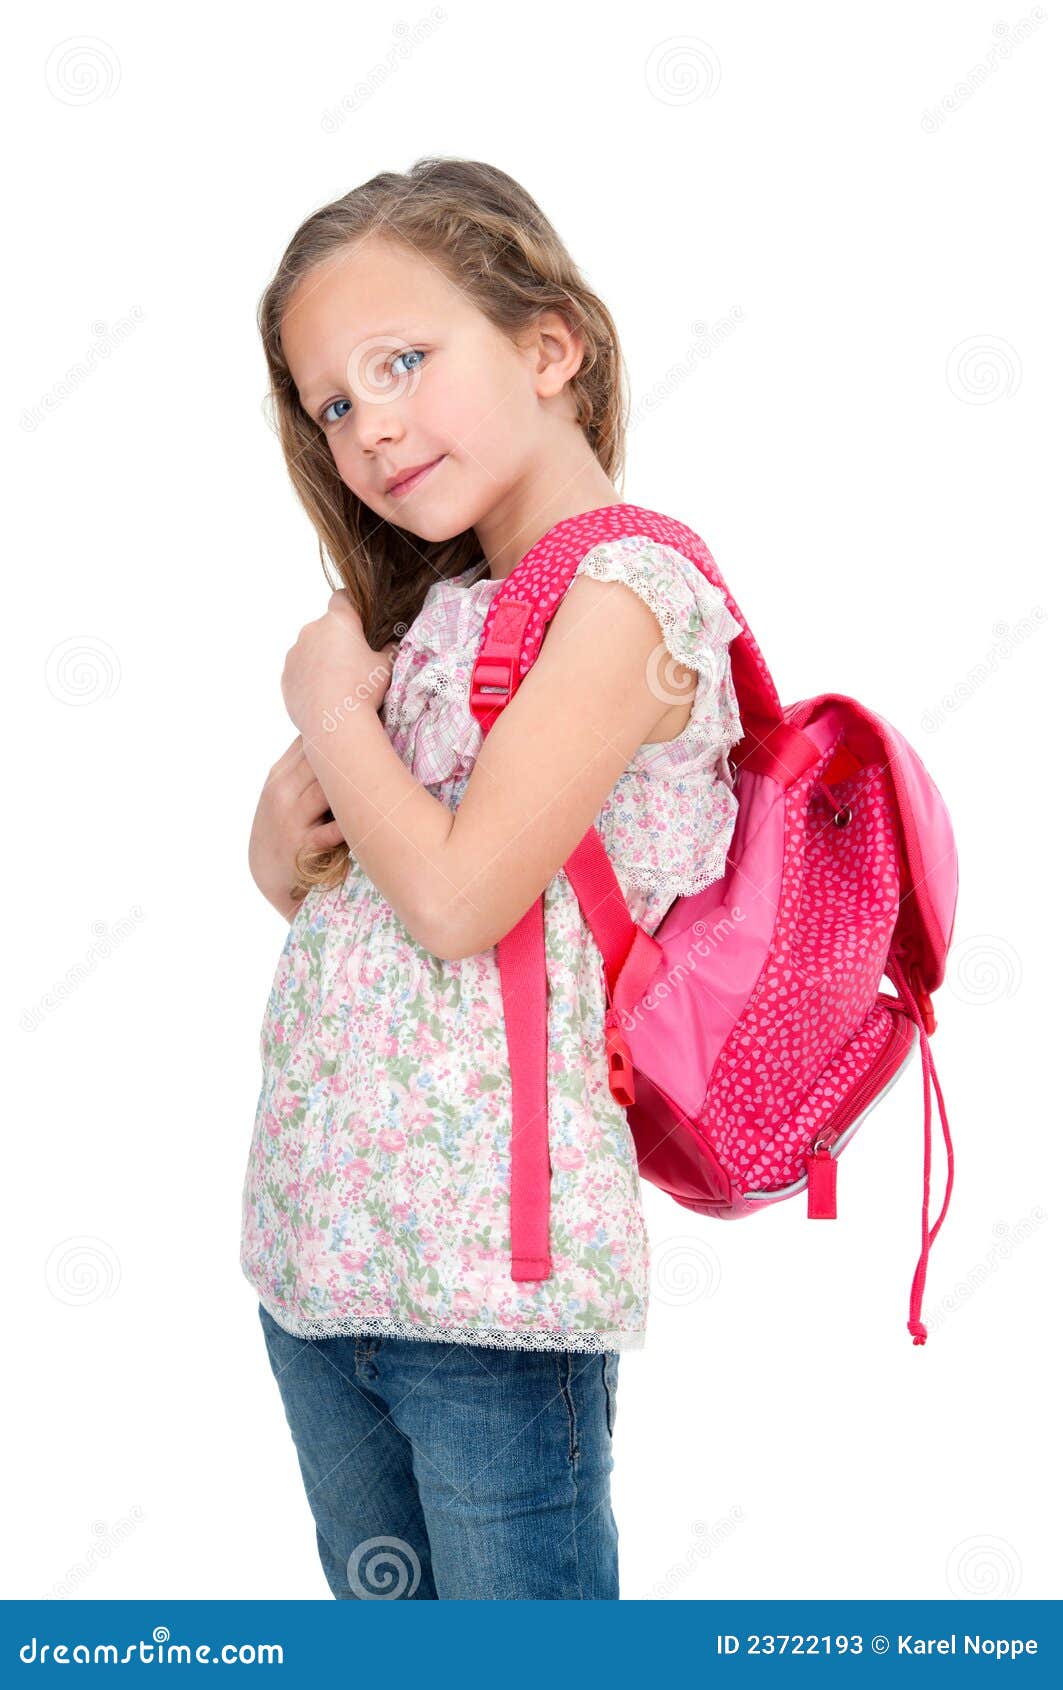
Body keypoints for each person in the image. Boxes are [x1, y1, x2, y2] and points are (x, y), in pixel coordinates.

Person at [243, 156, 744, 1601]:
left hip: (489, 1295)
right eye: (332, 401)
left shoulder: (627, 600)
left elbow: (460, 902)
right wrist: (280, 842)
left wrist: (329, 710)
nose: (370, 422)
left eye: (402, 360)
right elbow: (357, 905)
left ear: (547, 344)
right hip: (320, 1257)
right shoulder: (446, 616)